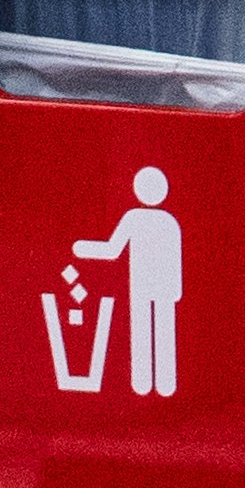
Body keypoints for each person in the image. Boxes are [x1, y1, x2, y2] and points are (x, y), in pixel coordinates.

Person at [71, 168, 184, 396]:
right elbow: (115, 250)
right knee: (156, 329)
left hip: (147, 285)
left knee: (146, 329)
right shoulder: (166, 221)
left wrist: (83, 248)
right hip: (154, 286)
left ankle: (148, 383)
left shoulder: (138, 218)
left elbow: (113, 250)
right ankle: (158, 384)